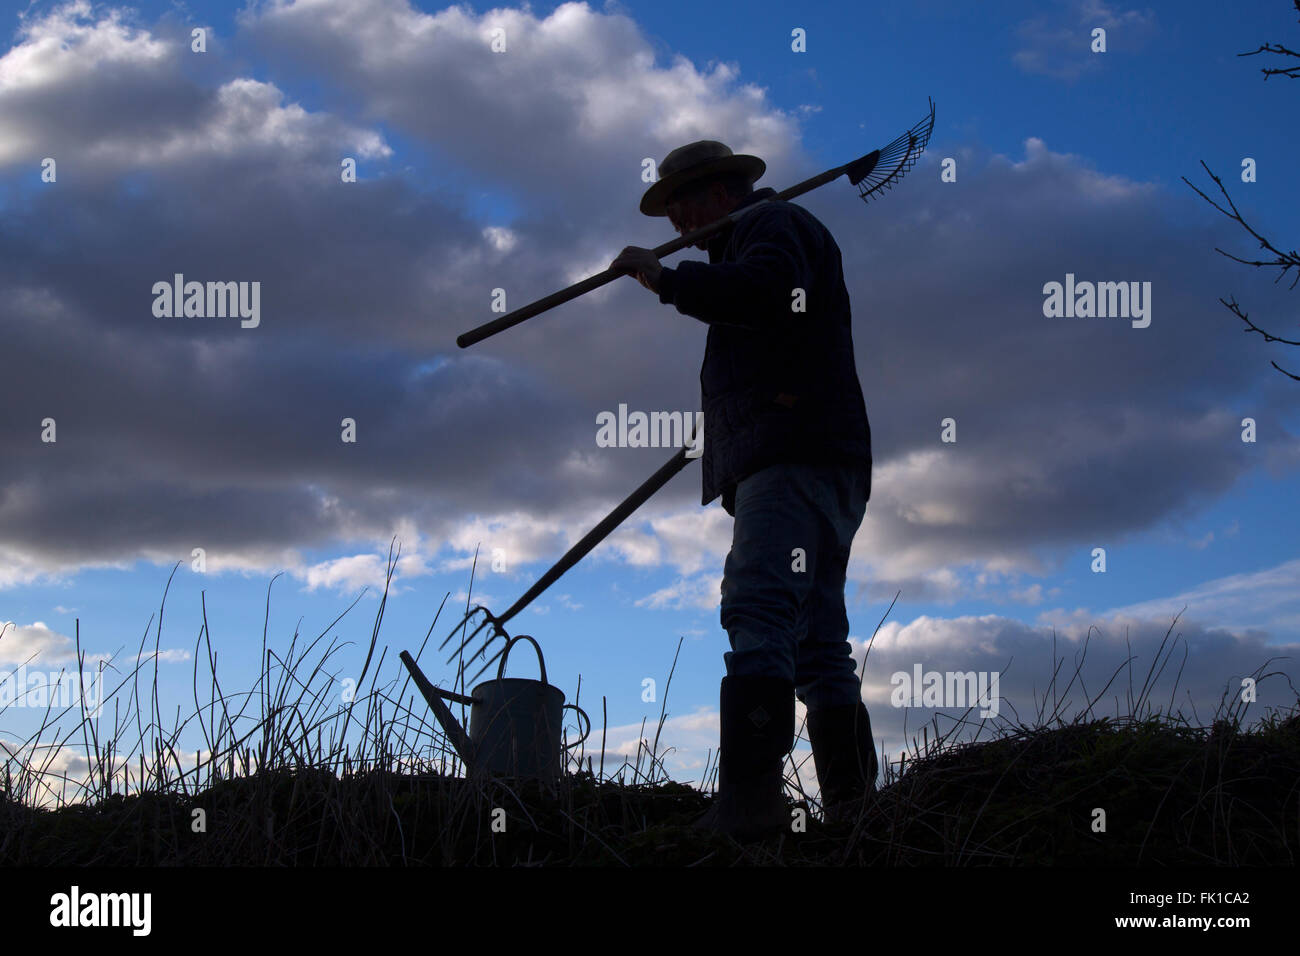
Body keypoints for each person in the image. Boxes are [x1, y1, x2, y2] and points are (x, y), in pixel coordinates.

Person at [610, 141, 879, 840]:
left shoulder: (770, 228)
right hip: (808, 450)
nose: (675, 222)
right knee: (818, 643)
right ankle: (855, 818)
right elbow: (770, 333)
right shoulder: (750, 241)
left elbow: (770, 298)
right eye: (668, 213)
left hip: (794, 456)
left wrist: (665, 279)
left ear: (720, 193)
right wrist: (726, 431)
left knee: (757, 607)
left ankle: (751, 811)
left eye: (682, 206)